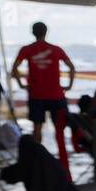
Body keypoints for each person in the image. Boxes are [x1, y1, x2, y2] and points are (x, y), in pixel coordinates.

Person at [12, 21, 75, 176]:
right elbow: (72, 67)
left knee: (37, 129)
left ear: (33, 32)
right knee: (59, 130)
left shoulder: (27, 50)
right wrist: (69, 86)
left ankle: (37, 162)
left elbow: (14, 68)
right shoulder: (56, 49)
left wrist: (21, 84)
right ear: (46, 32)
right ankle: (64, 164)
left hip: (36, 95)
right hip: (56, 95)